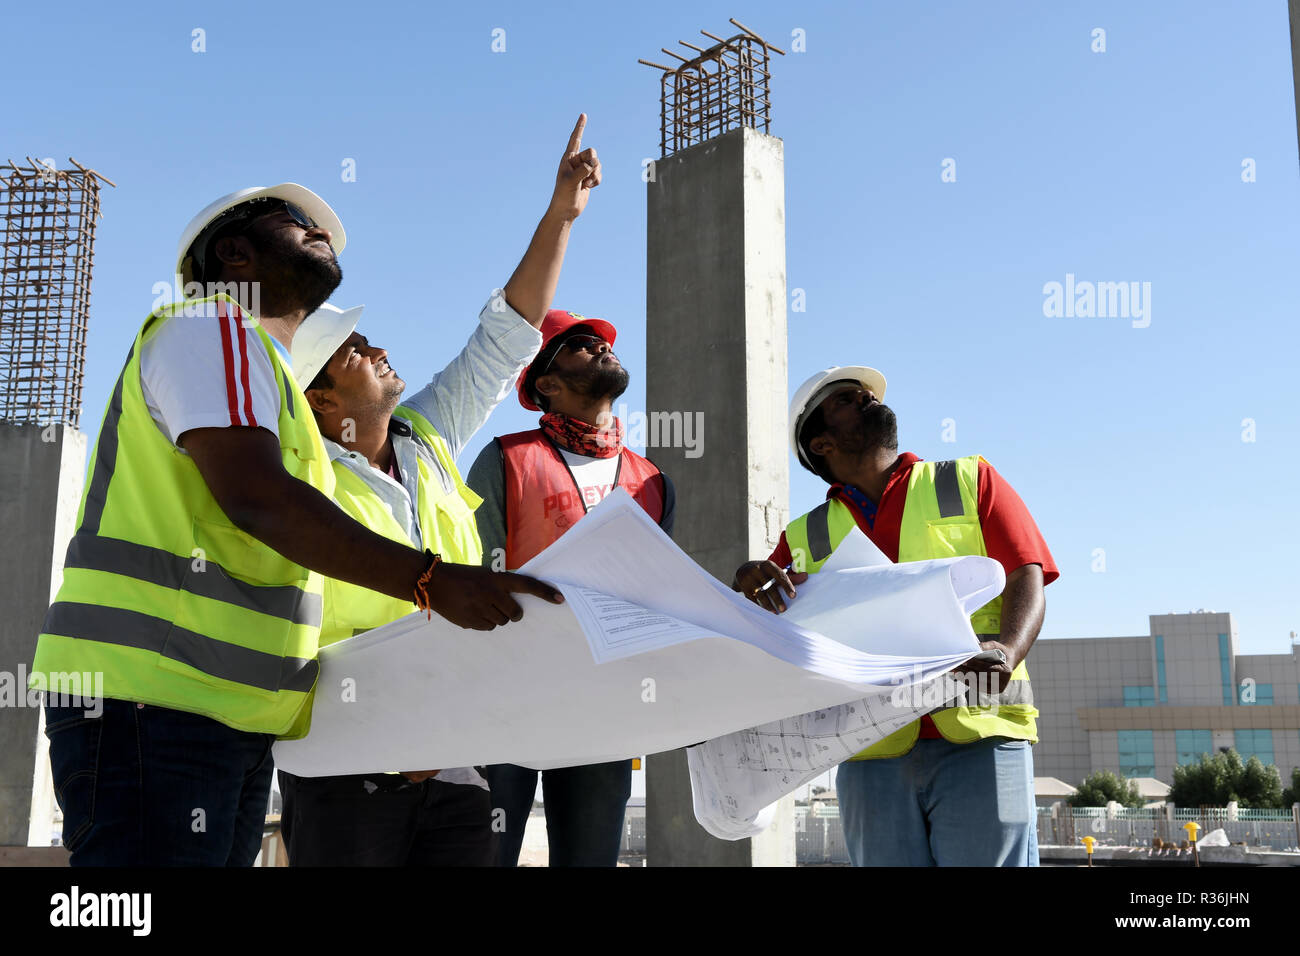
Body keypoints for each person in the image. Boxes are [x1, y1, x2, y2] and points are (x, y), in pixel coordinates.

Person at [31, 177, 563, 866]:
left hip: (226, 717)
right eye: (294, 219)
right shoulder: (211, 324)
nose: (320, 228)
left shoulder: (281, 405)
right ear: (235, 254)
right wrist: (430, 579)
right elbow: (256, 497)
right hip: (153, 704)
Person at [277, 115, 602, 865]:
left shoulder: (425, 441)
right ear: (322, 402)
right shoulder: (301, 478)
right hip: (346, 764)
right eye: (355, 352)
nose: (380, 349)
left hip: (457, 758)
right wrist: (395, 727)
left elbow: (505, 336)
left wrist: (560, 216)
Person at [734, 366, 1058, 867]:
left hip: (982, 735)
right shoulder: (806, 534)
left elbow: (1027, 574)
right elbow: (765, 625)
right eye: (845, 398)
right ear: (820, 443)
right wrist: (752, 584)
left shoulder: (969, 479)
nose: (865, 396)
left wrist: (1006, 650)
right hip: (870, 751)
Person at [466, 309, 674, 867]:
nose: (602, 349)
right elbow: (474, 575)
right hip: (507, 692)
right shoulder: (505, 459)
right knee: (487, 851)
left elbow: (658, 594)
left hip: (602, 701)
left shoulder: (652, 479)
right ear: (547, 384)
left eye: (602, 343)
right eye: (581, 345)